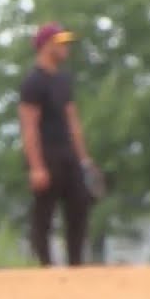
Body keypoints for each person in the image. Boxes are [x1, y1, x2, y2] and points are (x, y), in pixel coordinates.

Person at [18, 22, 97, 267]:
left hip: (68, 153)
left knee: (79, 207)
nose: (65, 48)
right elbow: (29, 126)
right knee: (44, 214)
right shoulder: (33, 82)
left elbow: (73, 121)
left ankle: (76, 264)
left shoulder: (63, 80)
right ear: (46, 46)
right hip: (46, 153)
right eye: (60, 43)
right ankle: (46, 267)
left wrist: (84, 159)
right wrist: (36, 166)